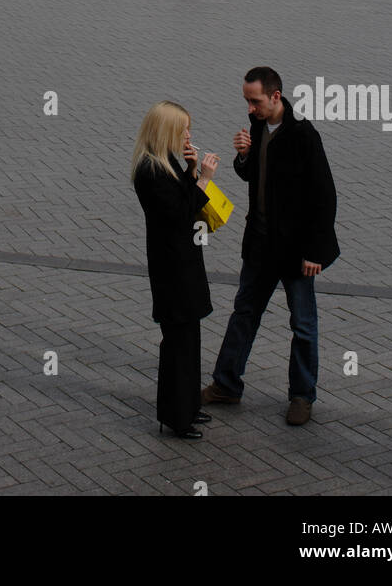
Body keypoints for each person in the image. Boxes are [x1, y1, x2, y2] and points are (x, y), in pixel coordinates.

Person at [203, 66, 339, 426]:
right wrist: (244, 156)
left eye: (255, 101)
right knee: (244, 314)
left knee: (303, 324)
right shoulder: (260, 128)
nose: (250, 108)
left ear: (276, 97)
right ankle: (226, 384)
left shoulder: (304, 136)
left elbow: (324, 197)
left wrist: (315, 252)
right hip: (260, 246)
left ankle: (302, 396)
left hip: (295, 252)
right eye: (247, 101)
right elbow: (252, 177)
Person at [133, 102, 219, 439]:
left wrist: (192, 169)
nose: (188, 134)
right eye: (183, 128)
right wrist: (205, 181)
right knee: (177, 344)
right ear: (167, 130)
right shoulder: (150, 171)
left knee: (190, 338)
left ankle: (188, 407)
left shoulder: (166, 163)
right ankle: (175, 416)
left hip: (183, 262)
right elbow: (180, 213)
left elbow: (182, 198)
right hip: (172, 268)